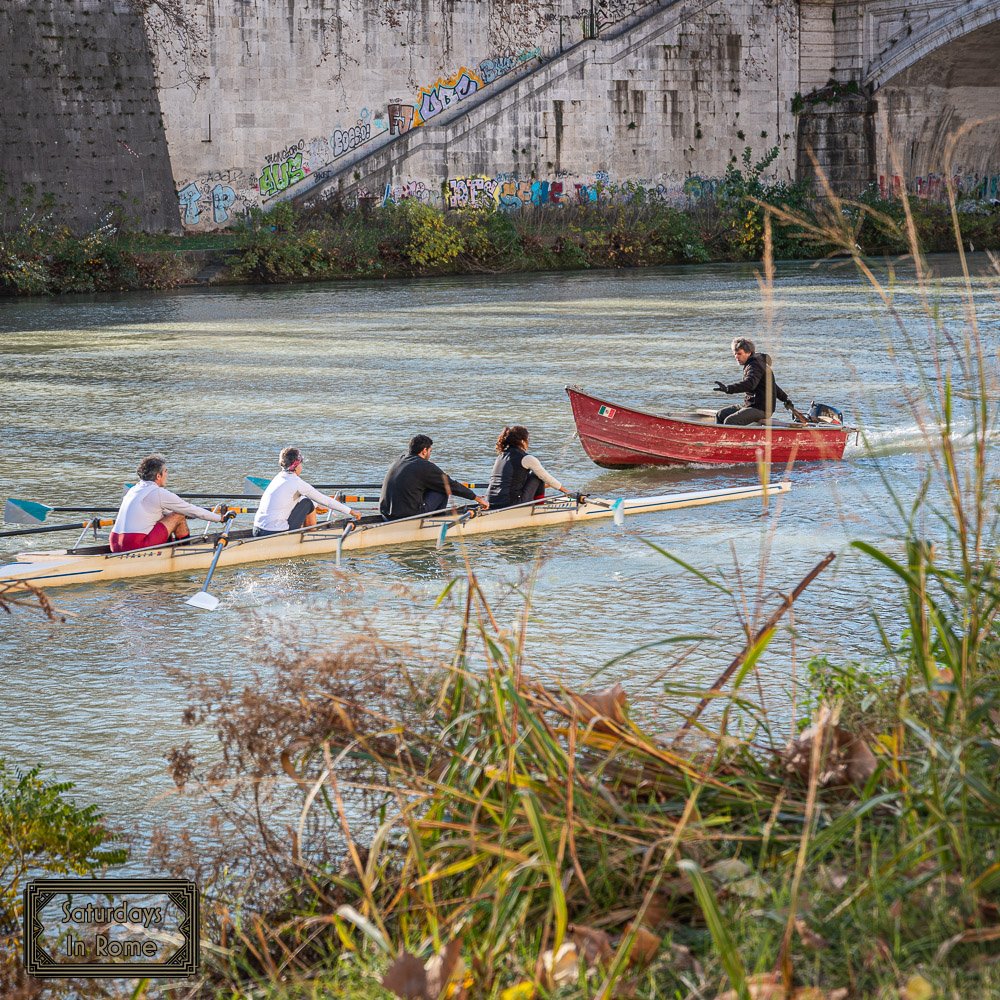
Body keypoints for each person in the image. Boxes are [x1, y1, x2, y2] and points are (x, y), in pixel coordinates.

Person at [110, 454, 230, 553]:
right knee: (179, 515)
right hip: (135, 545)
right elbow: (190, 509)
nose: (167, 474)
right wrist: (220, 518)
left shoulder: (133, 489)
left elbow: (157, 512)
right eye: (166, 471)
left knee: (170, 515)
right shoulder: (158, 493)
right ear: (158, 476)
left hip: (114, 544)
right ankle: (185, 553)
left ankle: (167, 549)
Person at [252, 447, 361, 536]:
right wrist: (351, 511)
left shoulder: (278, 478)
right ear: (296, 465)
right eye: (301, 464)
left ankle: (307, 530)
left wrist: (316, 505)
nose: (301, 467)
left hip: (256, 530)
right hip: (273, 532)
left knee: (308, 501)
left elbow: (297, 498)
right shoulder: (297, 483)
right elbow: (326, 501)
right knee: (308, 503)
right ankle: (311, 536)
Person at [380, 434, 488, 521]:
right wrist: (477, 498)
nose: (430, 455)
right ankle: (437, 522)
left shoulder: (399, 460)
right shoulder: (424, 466)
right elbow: (450, 485)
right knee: (443, 489)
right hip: (407, 516)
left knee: (432, 485)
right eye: (430, 451)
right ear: (424, 451)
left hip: (386, 515)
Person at [713, 337, 795, 425]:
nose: (736, 357)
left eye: (739, 354)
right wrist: (785, 399)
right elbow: (773, 385)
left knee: (730, 421)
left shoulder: (755, 365)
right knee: (720, 415)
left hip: (761, 409)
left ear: (749, 353)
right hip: (750, 405)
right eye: (735, 354)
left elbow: (750, 384)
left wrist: (728, 389)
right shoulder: (754, 363)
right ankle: (718, 437)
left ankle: (729, 438)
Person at [487, 425, 571, 509]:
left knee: (536, 477)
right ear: (522, 441)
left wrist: (543, 486)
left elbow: (510, 481)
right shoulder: (526, 458)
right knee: (537, 475)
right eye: (528, 439)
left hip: (491, 500)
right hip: (512, 503)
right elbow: (546, 477)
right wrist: (567, 492)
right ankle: (539, 508)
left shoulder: (501, 456)